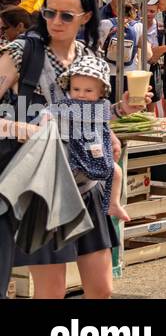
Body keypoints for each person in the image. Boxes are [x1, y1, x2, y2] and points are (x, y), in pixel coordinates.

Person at [0, 0, 151, 299]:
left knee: (101, 289)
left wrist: (122, 110)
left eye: (66, 15)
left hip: (87, 184)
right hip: (43, 188)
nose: (55, 21)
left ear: (85, 16)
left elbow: (92, 115)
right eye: (49, 12)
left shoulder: (90, 56)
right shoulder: (21, 52)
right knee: (51, 292)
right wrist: (23, 129)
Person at [54, 64, 130, 225]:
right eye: (76, 89)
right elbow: (52, 111)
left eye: (88, 91)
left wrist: (125, 107)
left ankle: (113, 203)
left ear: (101, 92)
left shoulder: (101, 106)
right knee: (65, 177)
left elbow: (110, 116)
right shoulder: (68, 105)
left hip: (97, 152)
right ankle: (59, 212)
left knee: (116, 171)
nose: (81, 95)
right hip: (76, 154)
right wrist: (46, 117)